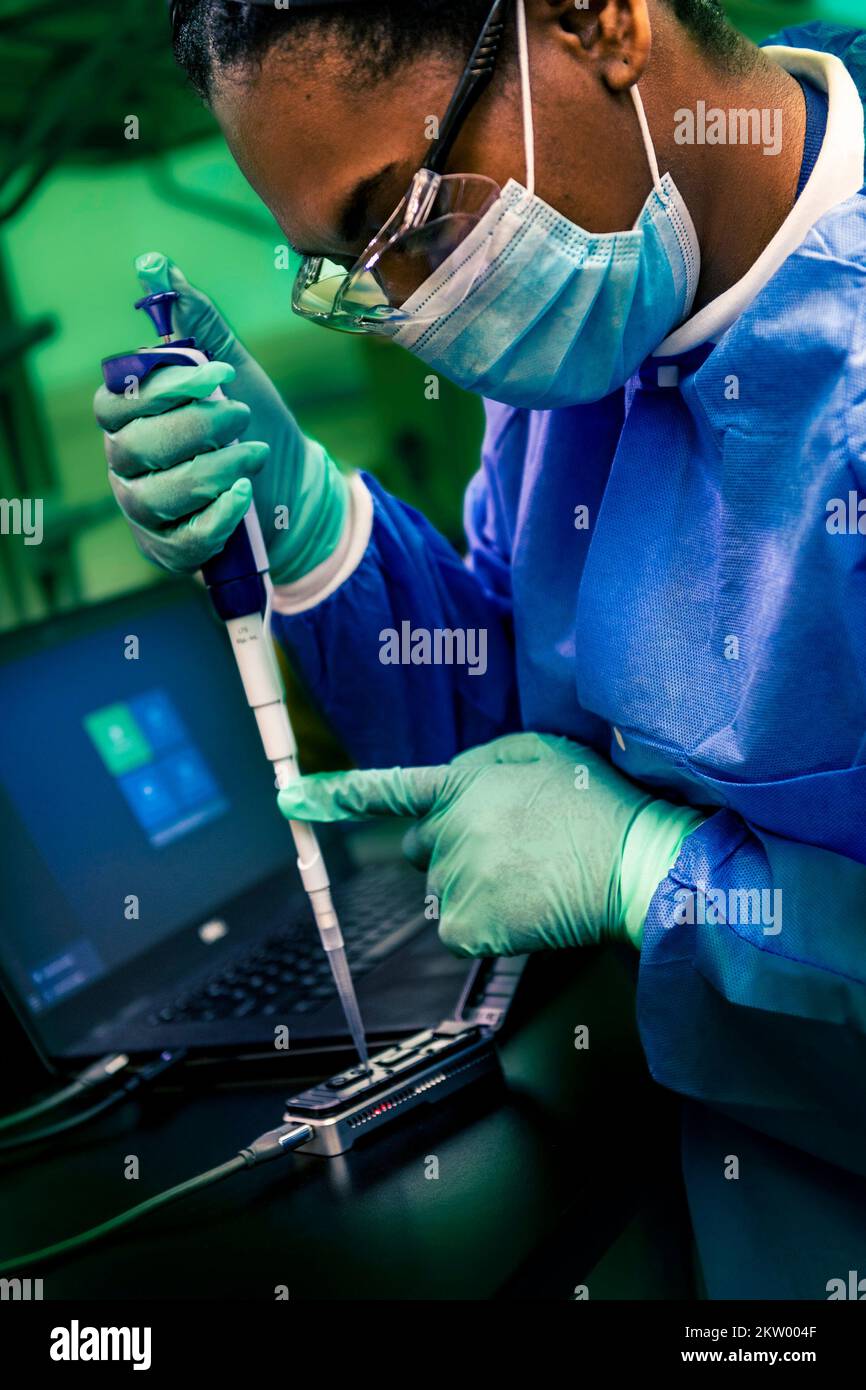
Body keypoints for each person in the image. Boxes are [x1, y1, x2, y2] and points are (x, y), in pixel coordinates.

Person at [94, 0, 866, 1299]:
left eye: (401, 220)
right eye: (352, 270)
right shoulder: (595, 321)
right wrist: (306, 515)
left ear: (594, 23)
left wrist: (653, 871)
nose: (414, 310)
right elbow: (519, 752)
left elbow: (597, 833)